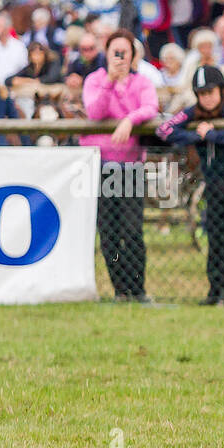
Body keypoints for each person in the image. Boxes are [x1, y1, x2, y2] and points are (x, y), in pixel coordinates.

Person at [156, 66, 224, 304]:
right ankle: (214, 290)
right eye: (201, 93)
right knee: (215, 238)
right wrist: (195, 137)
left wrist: (212, 136)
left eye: (211, 92)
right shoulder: (194, 112)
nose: (207, 97)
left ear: (221, 90)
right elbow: (165, 129)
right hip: (215, 187)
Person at [82, 28, 159, 302]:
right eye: (115, 51)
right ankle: (119, 290)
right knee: (109, 231)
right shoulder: (94, 80)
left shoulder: (142, 83)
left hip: (131, 166)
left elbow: (151, 107)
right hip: (103, 164)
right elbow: (95, 112)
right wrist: (110, 83)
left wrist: (130, 120)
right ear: (106, 53)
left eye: (124, 52)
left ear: (132, 55)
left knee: (132, 230)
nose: (119, 57)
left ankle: (137, 290)